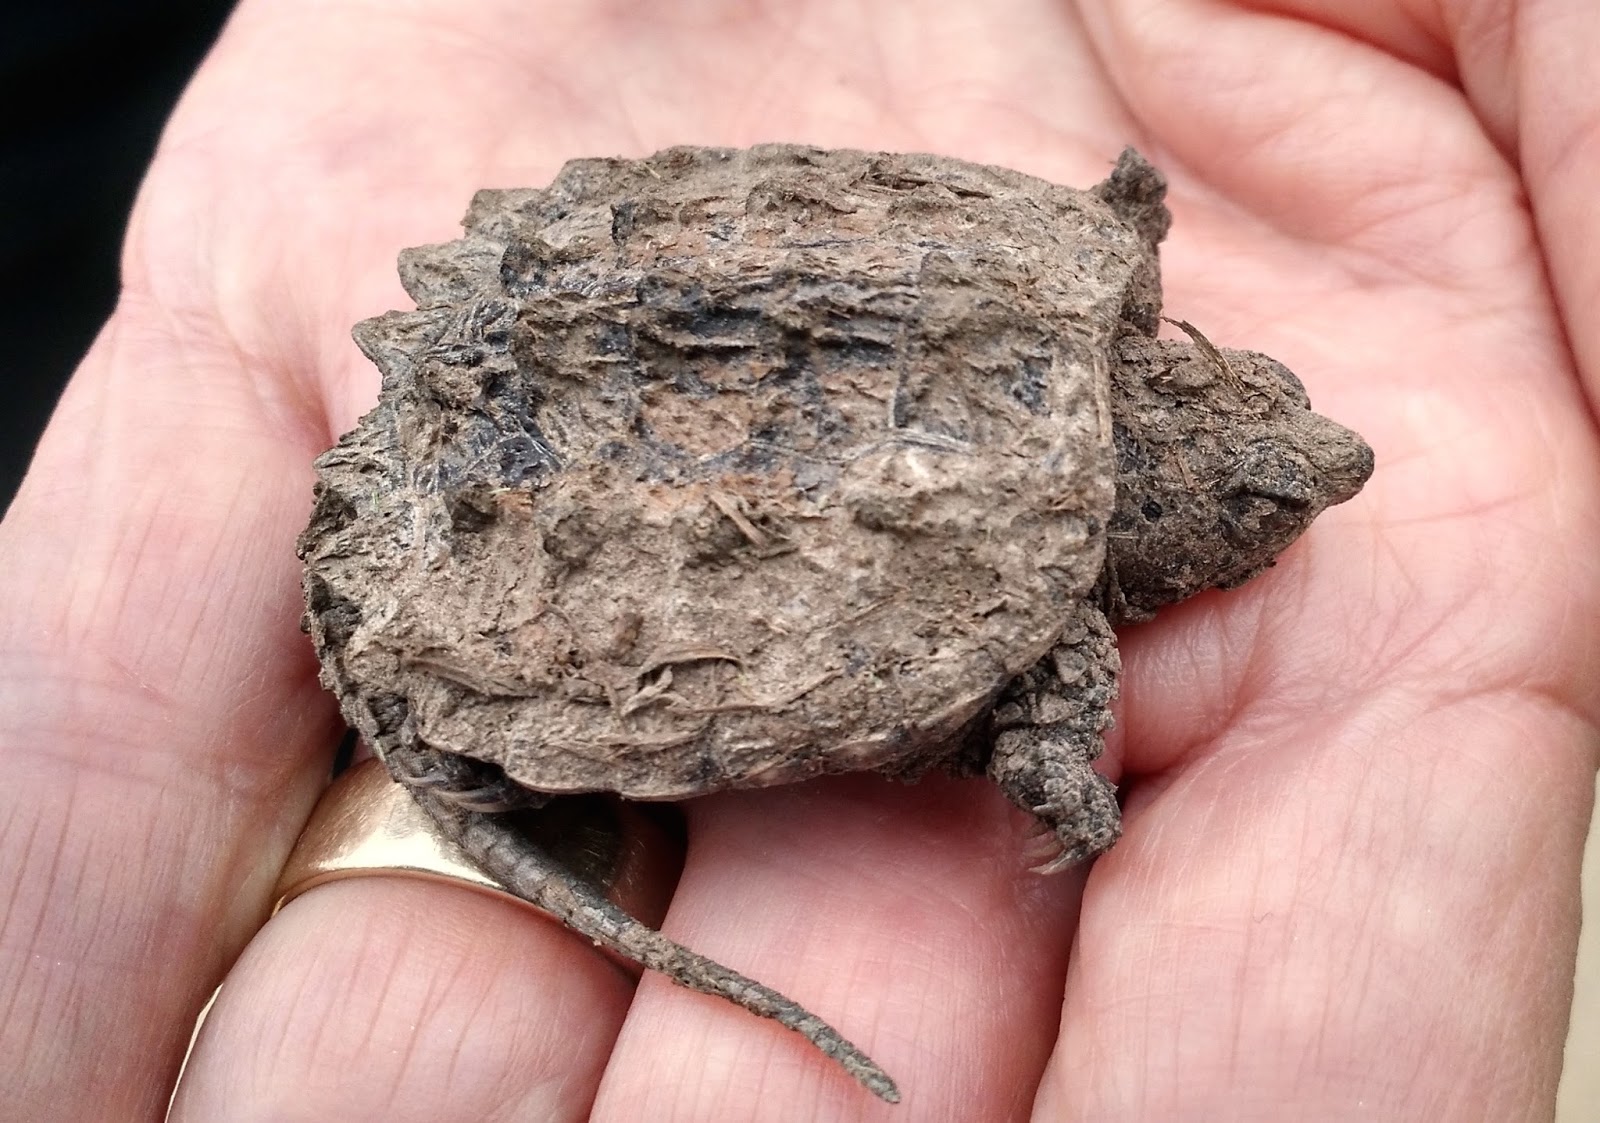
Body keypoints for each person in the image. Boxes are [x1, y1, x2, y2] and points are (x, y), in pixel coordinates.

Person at [2, 2, 1596, 1119]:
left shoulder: (1062, 284)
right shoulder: (1046, 627)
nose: (1329, 469)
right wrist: (1072, 801)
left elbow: (1119, 221)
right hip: (457, 488)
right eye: (1269, 491)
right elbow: (1047, 758)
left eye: (1272, 469)